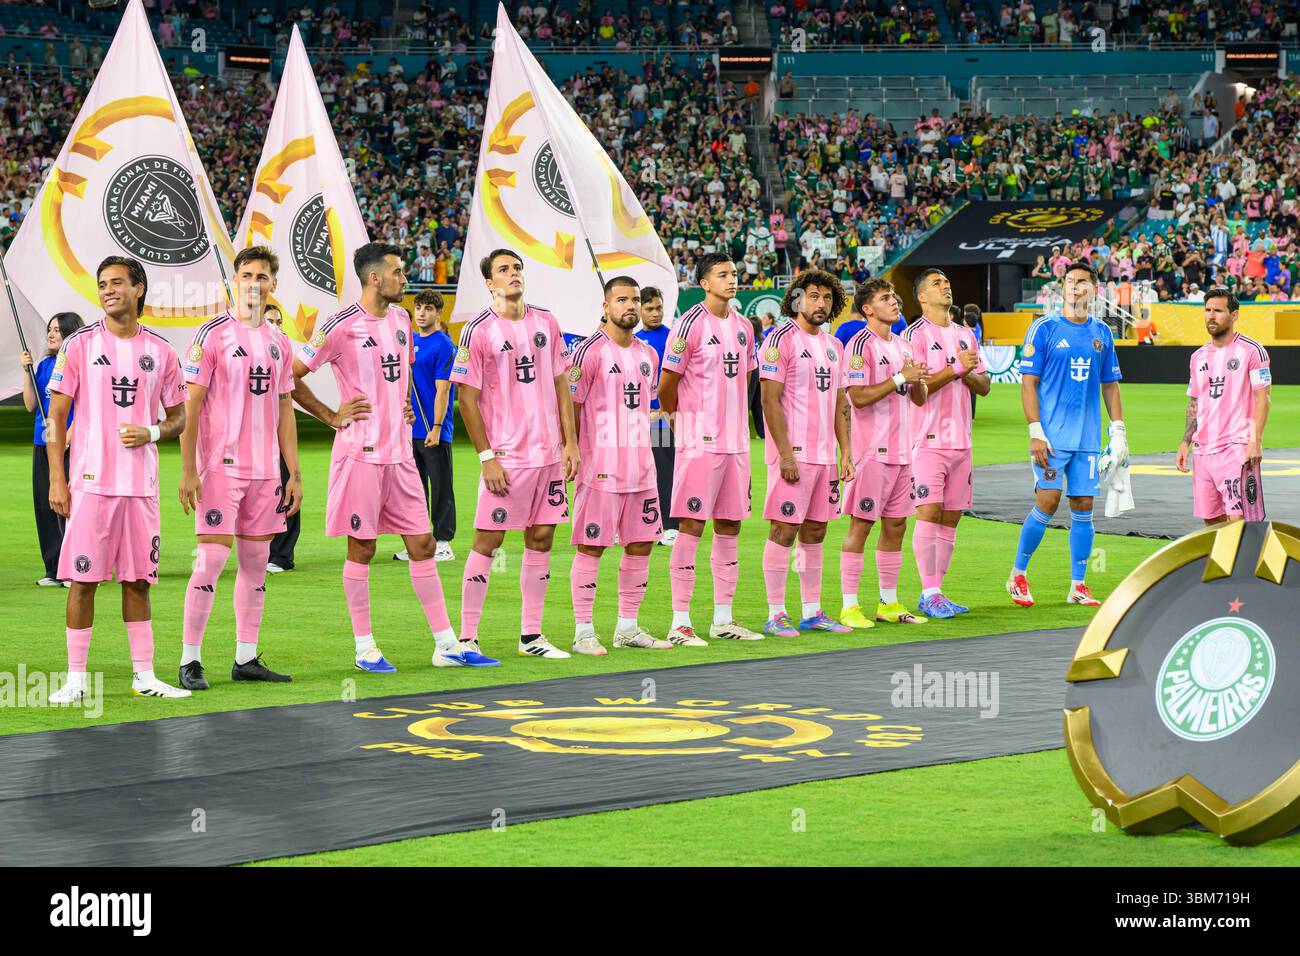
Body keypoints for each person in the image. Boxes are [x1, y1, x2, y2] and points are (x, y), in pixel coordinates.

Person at [293, 242, 467, 673]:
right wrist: (331, 415)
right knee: (363, 547)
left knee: (423, 544)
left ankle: (446, 644)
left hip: (401, 454)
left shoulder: (403, 320)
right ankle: (365, 647)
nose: (403, 279)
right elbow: (290, 376)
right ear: (375, 278)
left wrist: (403, 405)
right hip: (360, 456)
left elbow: (400, 375)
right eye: (397, 273)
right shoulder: (339, 325)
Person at [46, 257, 190, 702]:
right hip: (91, 484)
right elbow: (55, 415)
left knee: (139, 580)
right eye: (102, 284)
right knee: (82, 580)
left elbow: (179, 418)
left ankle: (144, 676)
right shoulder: (79, 345)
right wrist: (56, 478)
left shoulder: (162, 351)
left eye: (117, 283)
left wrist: (151, 431)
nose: (108, 290)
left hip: (141, 487)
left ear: (139, 289)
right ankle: (75, 680)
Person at [176, 246, 301, 690]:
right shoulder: (210, 335)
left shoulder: (279, 341)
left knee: (256, 562)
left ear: (272, 284)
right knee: (210, 560)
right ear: (234, 279)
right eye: (246, 274)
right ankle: (190, 660)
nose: (254, 282)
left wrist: (294, 473)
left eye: (262, 275)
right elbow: (189, 406)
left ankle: (245, 658)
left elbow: (285, 408)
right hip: (220, 469)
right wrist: (189, 468)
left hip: (265, 473)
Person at [450, 248, 579, 661]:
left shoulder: (547, 322)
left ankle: (531, 637)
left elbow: (562, 385)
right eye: (504, 270)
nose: (513, 274)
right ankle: (467, 639)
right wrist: (487, 456)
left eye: (517, 268)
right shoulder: (478, 330)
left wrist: (570, 442)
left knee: (542, 537)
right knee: (488, 541)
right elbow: (466, 400)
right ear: (489, 282)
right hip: (507, 456)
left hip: (548, 456)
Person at [658, 252, 762, 646]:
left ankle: (723, 618)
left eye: (734, 274)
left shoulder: (744, 326)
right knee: (691, 525)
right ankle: (680, 622)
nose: (732, 279)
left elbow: (749, 378)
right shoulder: (689, 323)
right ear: (704, 283)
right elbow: (667, 382)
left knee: (730, 525)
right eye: (723, 274)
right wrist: (676, 417)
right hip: (699, 442)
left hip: (735, 444)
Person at [567, 277, 673, 653]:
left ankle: (627, 627)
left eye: (635, 300)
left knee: (641, 545)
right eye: (622, 300)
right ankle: (583, 631)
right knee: (592, 547)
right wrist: (571, 449)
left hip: (641, 469)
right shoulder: (588, 352)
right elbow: (572, 407)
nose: (630, 306)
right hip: (600, 470)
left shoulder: (648, 354)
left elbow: (648, 410)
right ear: (605, 306)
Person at [1009, 261, 1125, 608]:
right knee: (1048, 500)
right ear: (1062, 287)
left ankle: (1078, 585)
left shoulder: (1102, 333)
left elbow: (1110, 385)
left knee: (1084, 505)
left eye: (1083, 282)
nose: (1075, 286)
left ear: (1094, 289)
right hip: (1051, 436)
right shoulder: (1043, 329)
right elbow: (1028, 384)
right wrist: (1035, 432)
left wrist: (1118, 431)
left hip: (1087, 438)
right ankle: (1017, 574)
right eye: (1070, 281)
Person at [758, 269, 855, 638]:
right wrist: (785, 455)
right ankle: (775, 612)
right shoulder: (779, 338)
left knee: (815, 531)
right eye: (813, 296)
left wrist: (845, 452)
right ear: (797, 299)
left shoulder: (834, 346)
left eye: (827, 298)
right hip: (793, 455)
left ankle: (812, 610)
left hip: (825, 457)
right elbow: (769, 400)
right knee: (784, 530)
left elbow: (839, 404)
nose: (821, 303)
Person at [841, 280, 930, 628]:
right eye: (884, 298)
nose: (894, 302)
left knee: (896, 526)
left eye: (894, 296)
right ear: (867, 308)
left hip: (902, 452)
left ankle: (888, 602)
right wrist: (898, 378)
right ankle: (850, 606)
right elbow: (857, 397)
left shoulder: (905, 345)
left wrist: (916, 380)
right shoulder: (859, 344)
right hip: (871, 453)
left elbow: (919, 399)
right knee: (861, 526)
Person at [902, 268, 990, 619]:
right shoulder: (914, 335)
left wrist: (966, 371)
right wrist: (955, 368)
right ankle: (929, 589)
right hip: (927, 439)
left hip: (962, 442)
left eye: (947, 283)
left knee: (952, 518)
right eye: (937, 284)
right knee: (929, 512)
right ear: (922, 297)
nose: (946, 287)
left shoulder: (966, 334)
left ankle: (936, 592)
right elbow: (918, 393)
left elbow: (983, 386)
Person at [1176, 289, 1271, 524]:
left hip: (1236, 447)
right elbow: (1195, 401)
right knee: (1212, 522)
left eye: (1218, 311)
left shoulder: (1252, 351)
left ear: (1234, 315)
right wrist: (1185, 441)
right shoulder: (1197, 357)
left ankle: (1247, 563)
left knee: (1240, 521)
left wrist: (1255, 441)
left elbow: (1263, 398)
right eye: (1207, 310)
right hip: (1203, 450)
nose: (1211, 316)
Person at [22, 312, 82, 586]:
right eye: (50, 329)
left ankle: (75, 567)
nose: (51, 333)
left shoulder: (79, 364)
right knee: (44, 504)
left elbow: (84, 405)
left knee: (69, 504)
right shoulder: (45, 365)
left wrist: (70, 433)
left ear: (71, 332)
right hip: (42, 441)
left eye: (58, 329)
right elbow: (30, 404)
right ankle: (54, 569)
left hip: (70, 442)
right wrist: (27, 371)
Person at [399, 289, 456, 562]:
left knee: (441, 485)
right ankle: (419, 539)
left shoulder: (444, 345)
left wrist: (436, 426)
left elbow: (442, 390)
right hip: (411, 428)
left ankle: (443, 541)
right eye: (418, 308)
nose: (421, 313)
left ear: (438, 313)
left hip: (435, 430)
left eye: (428, 309)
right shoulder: (408, 341)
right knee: (415, 487)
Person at [633, 285, 678, 545]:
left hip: (664, 418)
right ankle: (640, 523)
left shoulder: (672, 338)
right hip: (636, 418)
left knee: (665, 469)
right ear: (639, 309)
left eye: (658, 308)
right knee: (636, 470)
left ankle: (670, 526)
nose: (655, 313)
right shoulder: (634, 341)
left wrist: (664, 408)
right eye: (649, 308)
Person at [264, 304, 301, 574]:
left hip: (279, 434)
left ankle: (282, 555)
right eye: (270, 321)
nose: (275, 326)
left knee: (288, 489)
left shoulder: (283, 350)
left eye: (278, 321)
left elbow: (289, 398)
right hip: (252, 436)